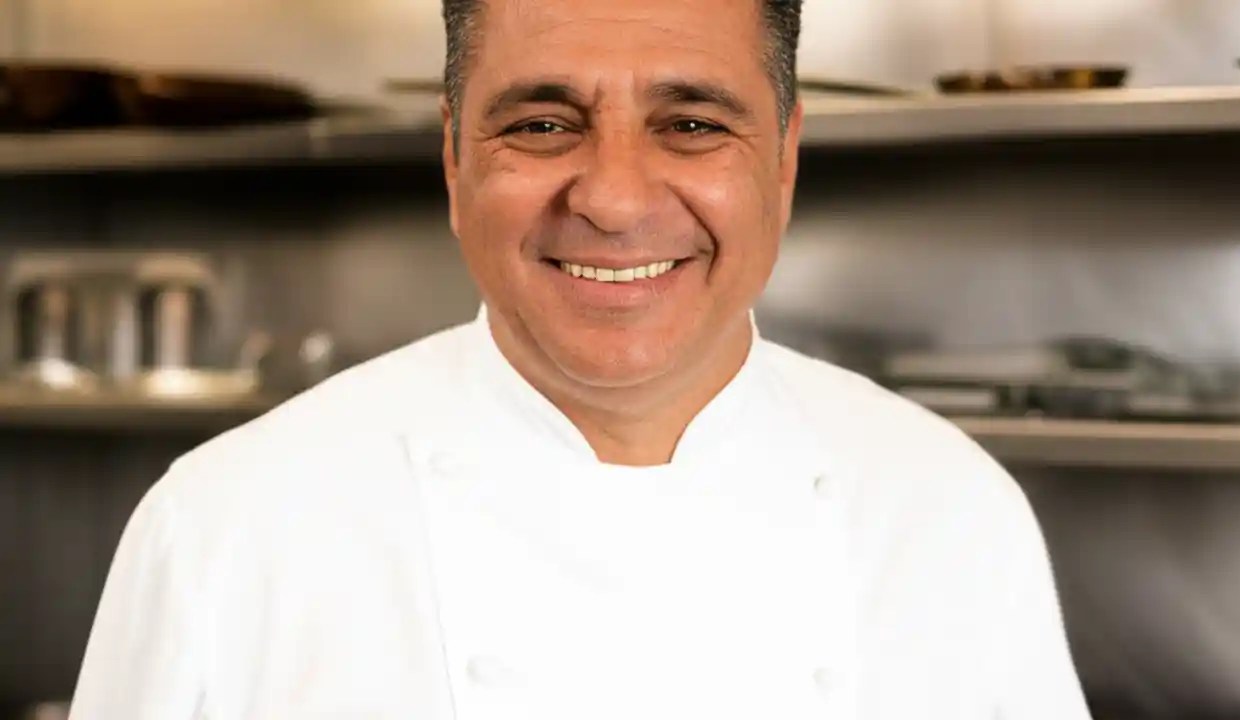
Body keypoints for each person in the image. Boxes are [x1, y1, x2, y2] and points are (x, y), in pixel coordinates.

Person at [70, 0, 1092, 718]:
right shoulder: (224, 526)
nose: (612, 198)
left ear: (783, 158)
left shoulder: (949, 510)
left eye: (690, 124)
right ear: (454, 157)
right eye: (543, 124)